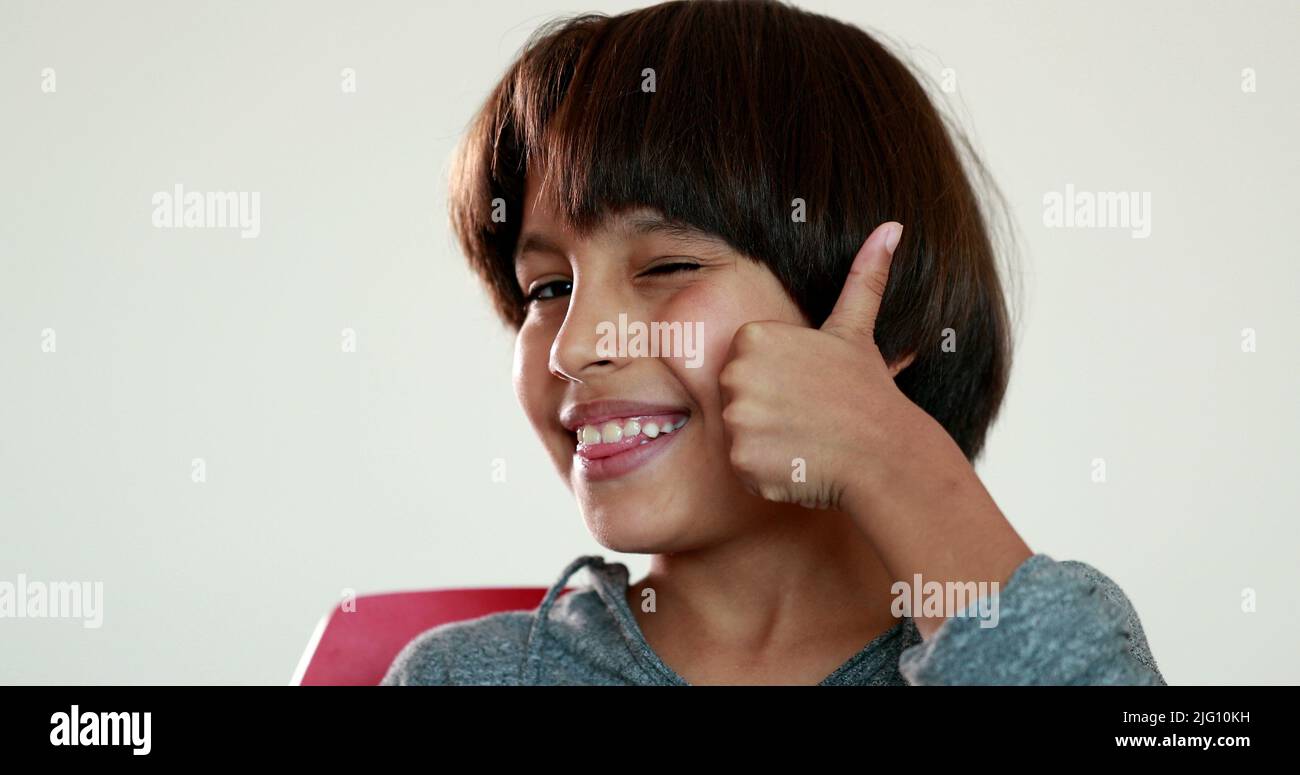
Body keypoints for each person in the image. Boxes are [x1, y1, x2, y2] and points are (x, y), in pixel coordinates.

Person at [382, 0, 1164, 685]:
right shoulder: (463, 674)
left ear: (885, 317)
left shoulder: (1058, 631)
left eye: (667, 265)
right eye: (548, 289)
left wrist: (892, 455)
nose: (574, 346)